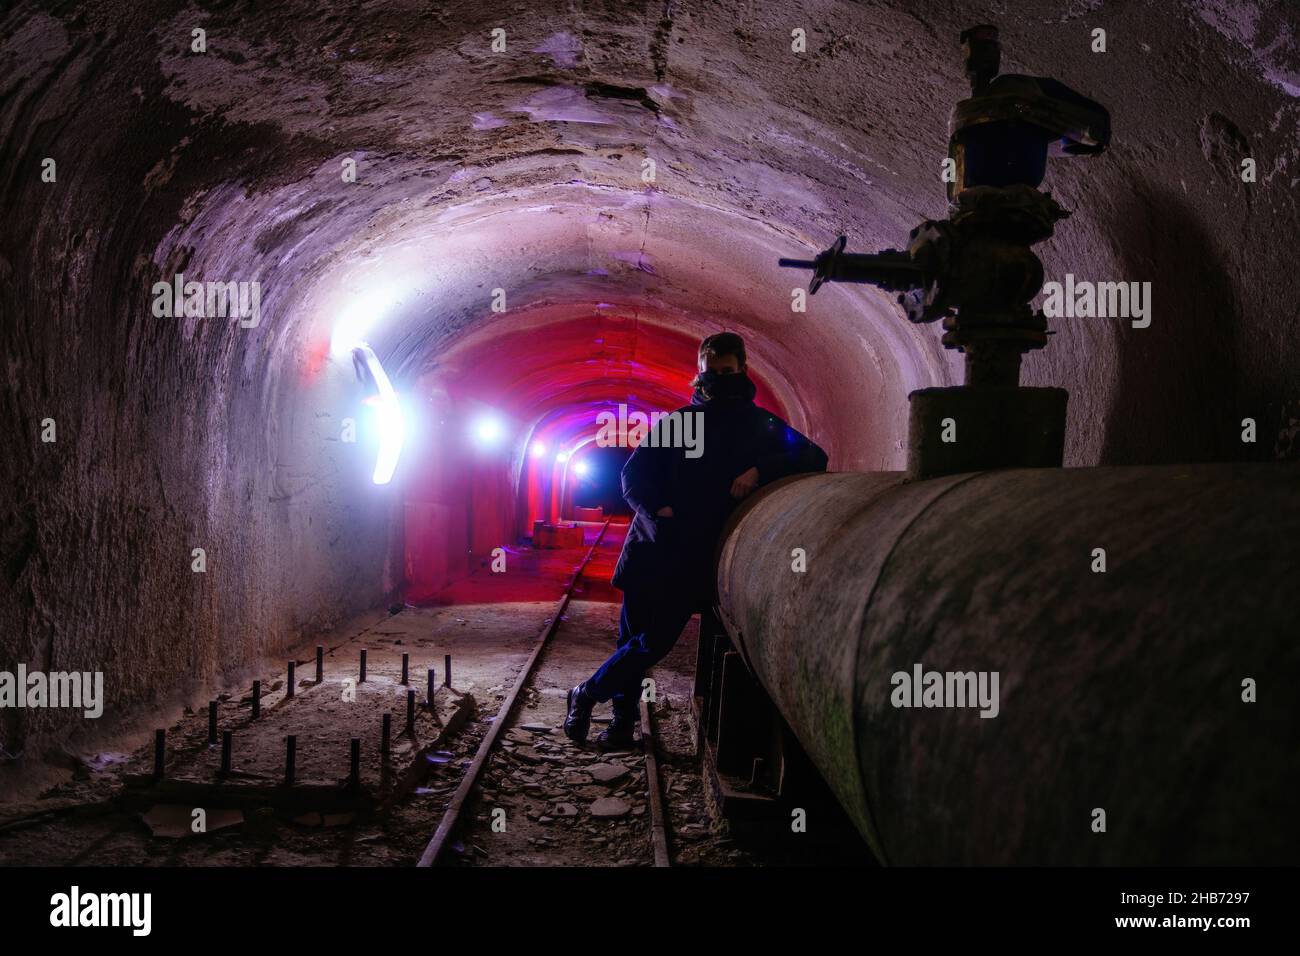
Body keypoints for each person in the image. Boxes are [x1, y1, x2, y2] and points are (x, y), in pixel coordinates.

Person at [564, 332, 828, 750]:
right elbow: (632, 479)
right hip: (651, 550)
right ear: (699, 373)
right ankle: (619, 725)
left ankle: (586, 692)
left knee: (654, 641)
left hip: (695, 559)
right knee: (631, 642)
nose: (719, 379)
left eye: (727, 371)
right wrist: (659, 512)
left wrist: (760, 469)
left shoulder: (762, 427)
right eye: (711, 372)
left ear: (742, 369)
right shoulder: (679, 424)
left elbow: (814, 457)